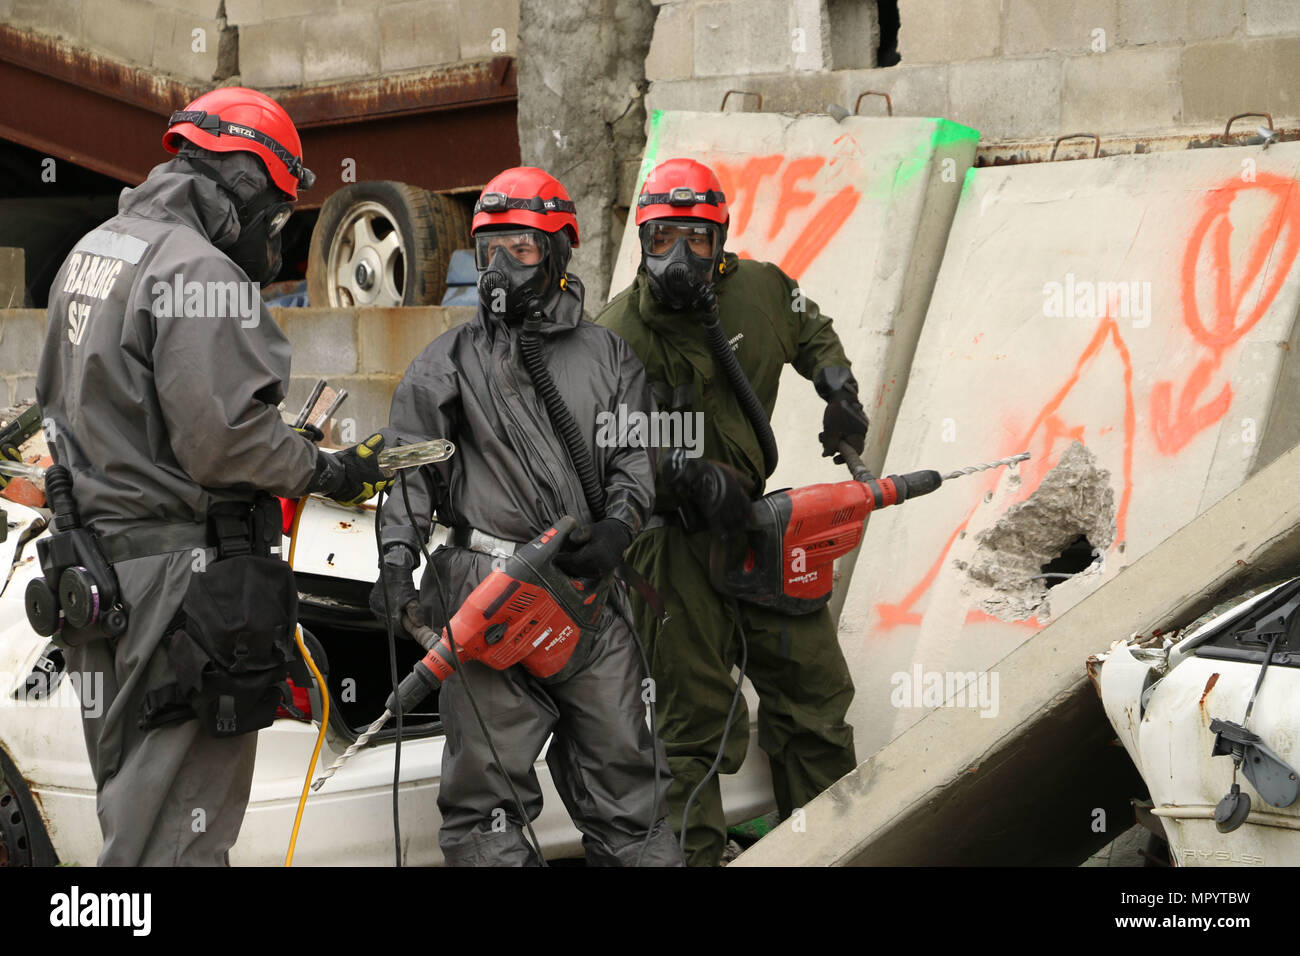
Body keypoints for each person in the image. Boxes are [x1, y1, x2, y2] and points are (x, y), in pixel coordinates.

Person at [36, 86, 393, 866]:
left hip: (95, 579)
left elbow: (57, 414)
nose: (277, 223)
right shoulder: (200, 271)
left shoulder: (96, 252)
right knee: (177, 837)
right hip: (180, 594)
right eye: (278, 200)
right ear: (242, 179)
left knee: (134, 813)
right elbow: (224, 444)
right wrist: (328, 470)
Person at [371, 166, 681, 867]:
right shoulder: (445, 360)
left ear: (561, 253)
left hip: (589, 599)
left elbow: (636, 461)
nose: (502, 267)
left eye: (523, 249)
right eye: (489, 251)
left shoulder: (610, 358)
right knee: (487, 809)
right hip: (488, 599)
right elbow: (408, 472)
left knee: (630, 791)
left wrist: (616, 529)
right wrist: (395, 564)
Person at [595, 157, 869, 866]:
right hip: (669, 545)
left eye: (696, 239)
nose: (678, 258)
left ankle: (831, 849)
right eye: (661, 240)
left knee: (814, 693)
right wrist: (678, 478)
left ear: (722, 243)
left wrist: (837, 388)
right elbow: (597, 450)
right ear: (641, 242)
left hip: (753, 525)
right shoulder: (617, 335)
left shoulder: (760, 291)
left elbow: (811, 328)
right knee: (692, 729)